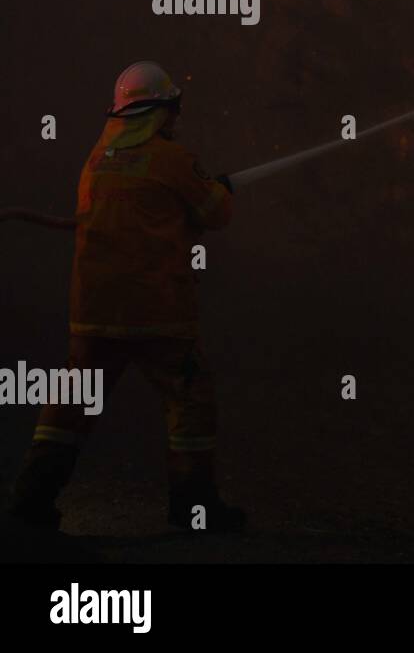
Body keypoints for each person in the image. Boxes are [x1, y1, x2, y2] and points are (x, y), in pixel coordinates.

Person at [9, 61, 246, 533]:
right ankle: (193, 507)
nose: (175, 120)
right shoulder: (172, 160)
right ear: (161, 112)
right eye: (172, 110)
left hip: (94, 311)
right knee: (189, 399)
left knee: (72, 403)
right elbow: (216, 213)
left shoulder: (97, 160)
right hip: (157, 311)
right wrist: (220, 188)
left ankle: (30, 502)